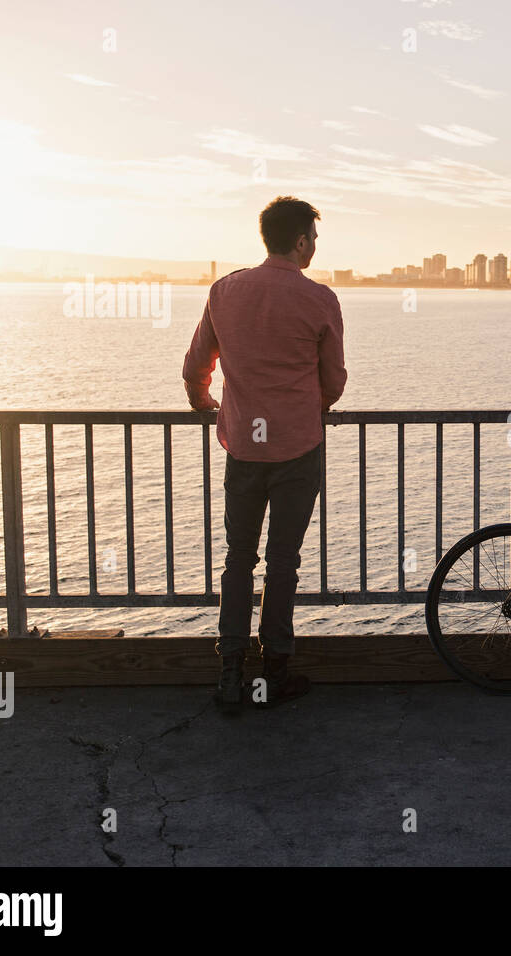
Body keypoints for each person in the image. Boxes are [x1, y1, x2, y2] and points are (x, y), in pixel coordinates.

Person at [182, 196, 347, 713]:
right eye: (313, 239)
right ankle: (276, 668)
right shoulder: (320, 299)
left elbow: (195, 363)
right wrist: (307, 405)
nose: (315, 247)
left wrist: (203, 399)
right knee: (283, 563)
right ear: (300, 240)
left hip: (243, 451)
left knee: (238, 560)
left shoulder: (225, 290)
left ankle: (230, 673)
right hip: (297, 449)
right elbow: (334, 381)